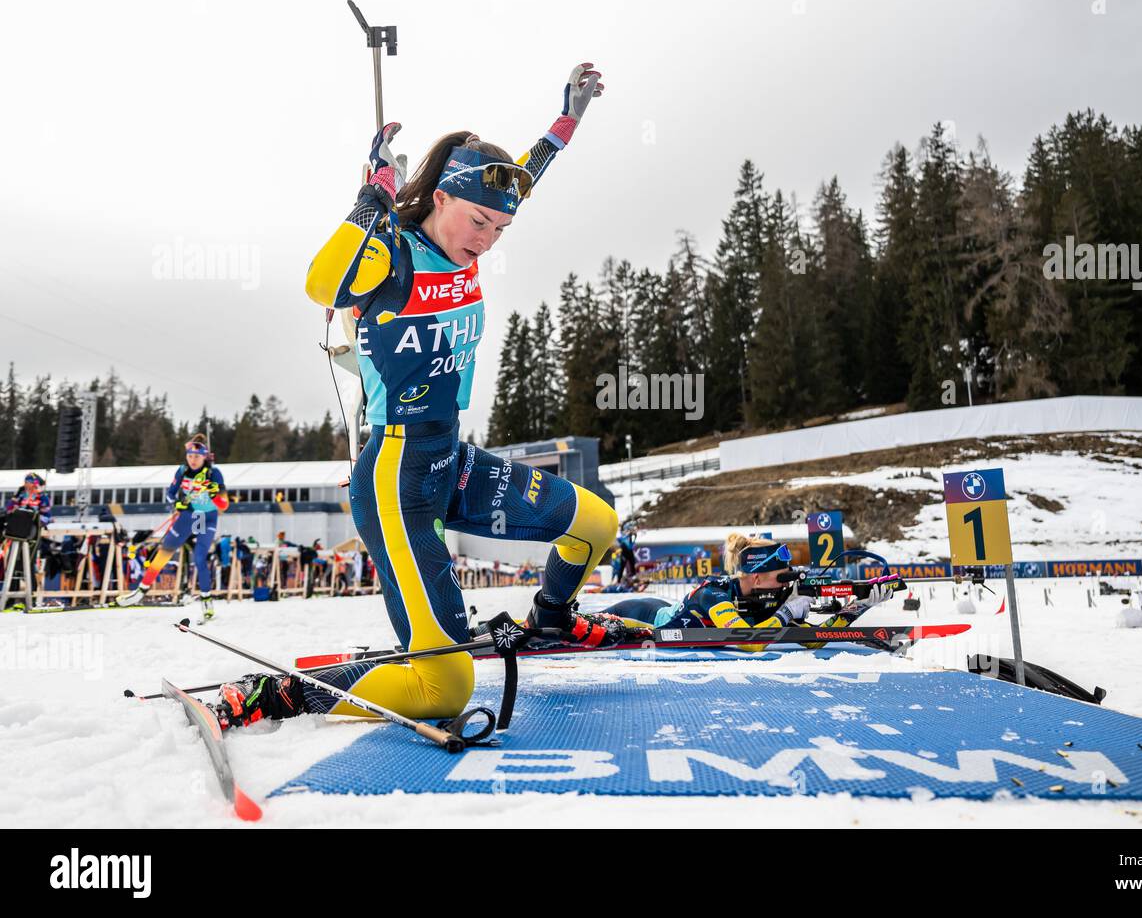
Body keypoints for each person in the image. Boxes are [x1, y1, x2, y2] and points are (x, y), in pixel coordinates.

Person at [210, 62, 626, 731]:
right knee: (445, 687)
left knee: (596, 523)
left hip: (450, 461)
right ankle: (281, 694)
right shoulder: (391, 255)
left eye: (499, 230)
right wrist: (372, 195)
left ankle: (551, 621)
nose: (485, 240)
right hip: (396, 478)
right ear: (438, 198)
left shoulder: (469, 240)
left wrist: (566, 122)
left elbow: (521, 177)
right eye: (477, 222)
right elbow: (323, 284)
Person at [600, 534, 811, 651]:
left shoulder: (762, 598)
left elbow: (815, 639)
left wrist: (843, 615)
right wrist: (787, 613)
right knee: (575, 630)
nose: (785, 585)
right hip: (640, 617)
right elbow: (750, 642)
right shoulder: (715, 593)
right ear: (756, 578)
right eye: (781, 578)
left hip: (661, 609)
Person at [117, 435, 228, 617]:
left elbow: (224, 505)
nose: (193, 460)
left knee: (199, 557)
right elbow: (170, 494)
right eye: (190, 456)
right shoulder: (182, 471)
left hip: (203, 518)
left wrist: (213, 493)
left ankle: (207, 601)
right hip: (187, 516)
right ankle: (140, 592)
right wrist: (177, 503)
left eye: (197, 457)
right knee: (164, 552)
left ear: (204, 457)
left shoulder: (213, 474)